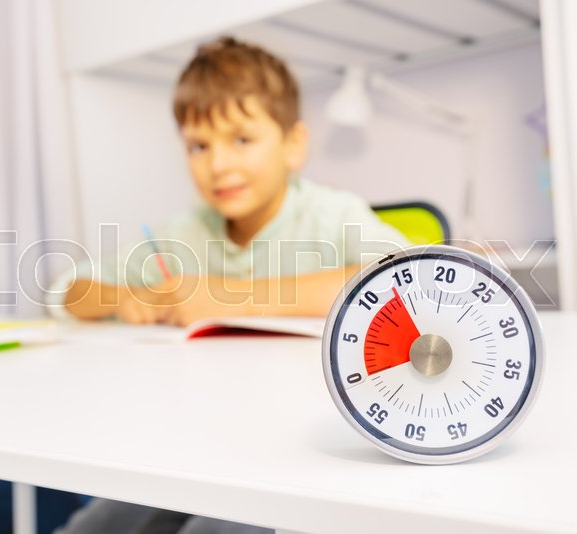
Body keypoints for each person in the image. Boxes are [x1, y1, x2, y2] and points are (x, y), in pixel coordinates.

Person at [51, 37, 408, 533]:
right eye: (199, 146)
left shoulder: (332, 215)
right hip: (194, 438)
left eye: (241, 139)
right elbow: (67, 291)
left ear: (293, 145)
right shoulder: (179, 236)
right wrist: (123, 297)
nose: (218, 164)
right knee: (97, 525)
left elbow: (410, 278)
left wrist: (226, 296)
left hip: (303, 449)